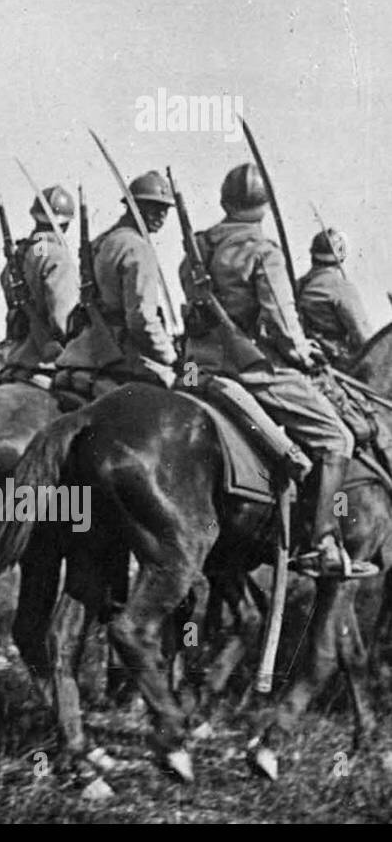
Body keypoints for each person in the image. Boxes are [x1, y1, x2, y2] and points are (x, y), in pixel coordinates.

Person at [179, 164, 373, 579]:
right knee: (337, 437)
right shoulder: (262, 250)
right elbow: (284, 326)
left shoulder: (197, 245)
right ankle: (322, 540)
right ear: (264, 206)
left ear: (223, 201)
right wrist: (303, 354)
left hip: (196, 365)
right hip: (245, 367)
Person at [54, 172, 177, 398]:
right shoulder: (138, 248)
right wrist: (172, 356)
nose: (161, 215)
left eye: (165, 209)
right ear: (133, 206)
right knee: (187, 388)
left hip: (81, 355)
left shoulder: (100, 242)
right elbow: (141, 319)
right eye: (152, 207)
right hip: (122, 359)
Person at [0, 185, 77, 387]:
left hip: (15, 360)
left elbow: (39, 252)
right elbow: (63, 319)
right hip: (45, 363)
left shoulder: (24, 253)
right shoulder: (55, 256)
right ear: (66, 225)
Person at [297, 228, 371, 372]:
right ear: (341, 258)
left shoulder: (297, 285)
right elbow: (364, 338)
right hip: (338, 364)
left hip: (308, 358)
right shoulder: (341, 287)